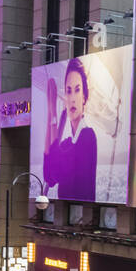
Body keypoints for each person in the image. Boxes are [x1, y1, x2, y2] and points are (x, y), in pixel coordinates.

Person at [42, 57, 99, 199]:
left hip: (80, 216)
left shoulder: (88, 136)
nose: (72, 98)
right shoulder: (67, 143)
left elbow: (56, 172)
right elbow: (49, 177)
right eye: (68, 91)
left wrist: (53, 112)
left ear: (84, 97)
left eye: (77, 90)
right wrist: (50, 113)